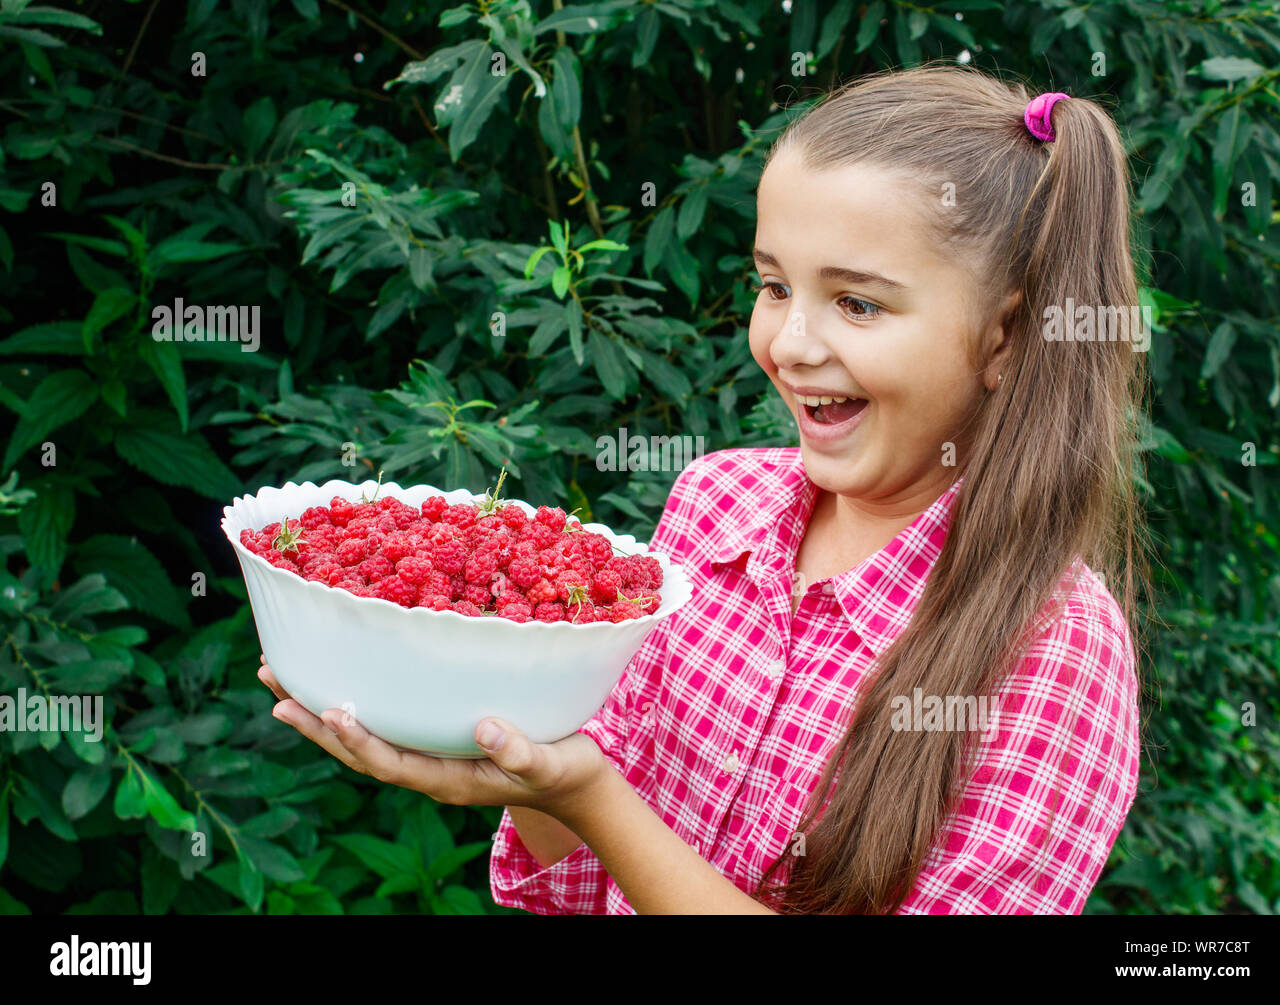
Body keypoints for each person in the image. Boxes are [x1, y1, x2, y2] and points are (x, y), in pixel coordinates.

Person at [260, 63, 1146, 914]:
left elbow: (601, 803)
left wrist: (593, 797)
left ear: (1004, 339)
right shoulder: (714, 505)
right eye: (772, 286)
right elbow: (571, 881)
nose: (791, 344)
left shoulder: (1056, 651)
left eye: (859, 304)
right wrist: (505, 729)